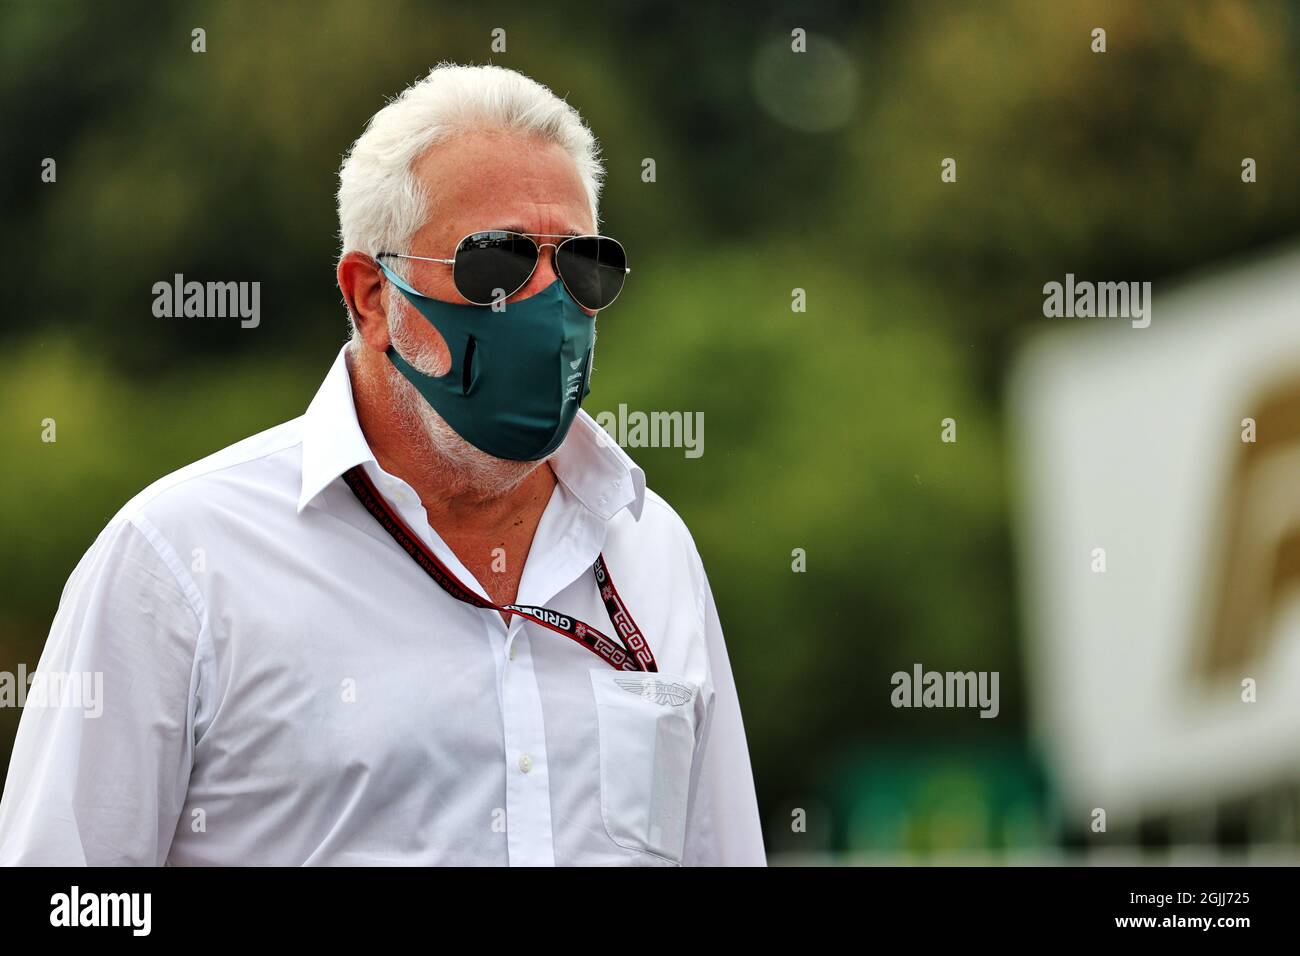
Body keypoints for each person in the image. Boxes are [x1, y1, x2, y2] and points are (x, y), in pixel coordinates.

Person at [0, 63, 765, 866]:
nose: (549, 301)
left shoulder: (651, 550)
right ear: (371, 295)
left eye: (582, 265)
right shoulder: (179, 560)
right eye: (497, 264)